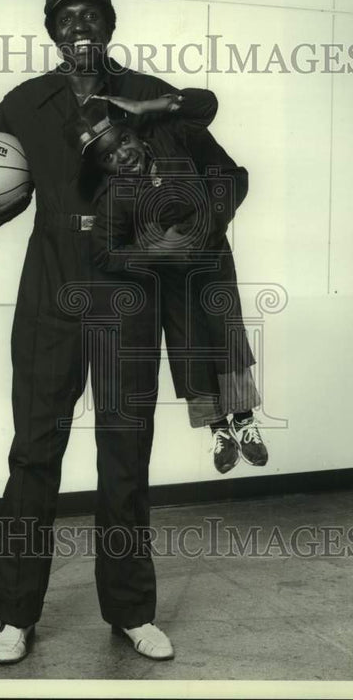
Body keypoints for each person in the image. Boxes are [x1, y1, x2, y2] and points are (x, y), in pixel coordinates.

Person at [0, 0, 219, 665]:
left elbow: (208, 141)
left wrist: (181, 225)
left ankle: (131, 611)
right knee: (34, 453)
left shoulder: (144, 93)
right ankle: (15, 615)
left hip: (128, 294)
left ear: (109, 25)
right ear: (50, 30)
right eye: (66, 16)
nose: (79, 26)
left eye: (91, 14)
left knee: (125, 455)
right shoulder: (26, 103)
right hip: (52, 293)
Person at [67, 95, 268, 474]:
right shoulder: (114, 196)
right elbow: (104, 253)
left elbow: (213, 126)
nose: (122, 155)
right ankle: (218, 428)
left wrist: (201, 227)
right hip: (171, 276)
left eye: (123, 140)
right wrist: (152, 249)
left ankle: (244, 419)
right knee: (188, 344)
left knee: (226, 333)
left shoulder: (174, 141)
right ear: (101, 168)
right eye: (108, 157)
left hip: (212, 257)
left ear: (135, 131)